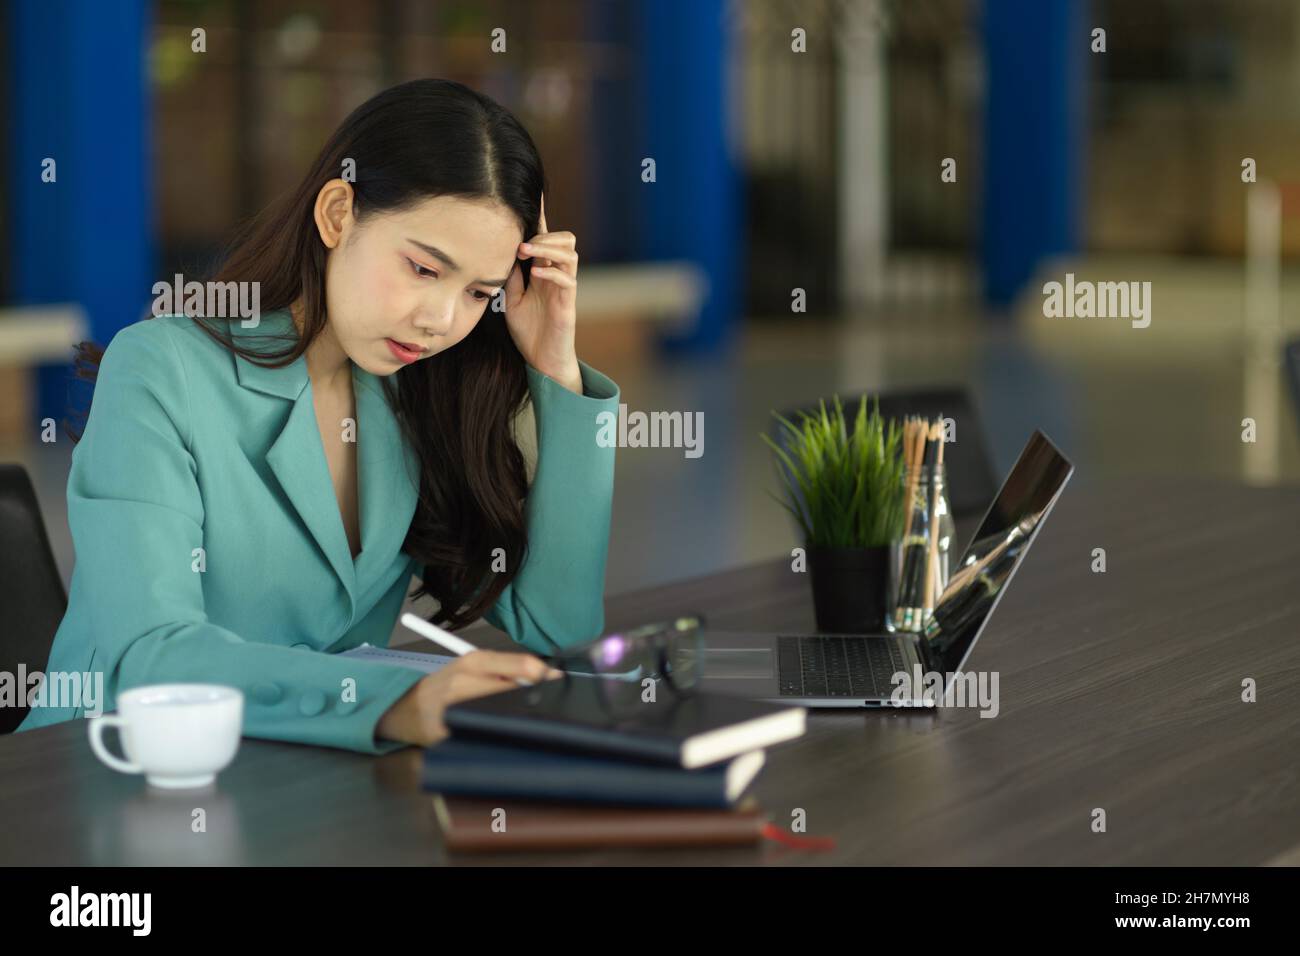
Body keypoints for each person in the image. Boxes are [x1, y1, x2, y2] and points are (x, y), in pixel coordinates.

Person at [16, 78, 620, 753]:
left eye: (479, 292)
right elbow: (152, 660)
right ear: (337, 213)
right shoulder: (162, 369)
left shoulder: (418, 394)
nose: (441, 321)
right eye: (423, 269)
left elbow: (555, 626)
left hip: (305, 781)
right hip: (107, 777)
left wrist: (555, 368)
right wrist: (393, 701)